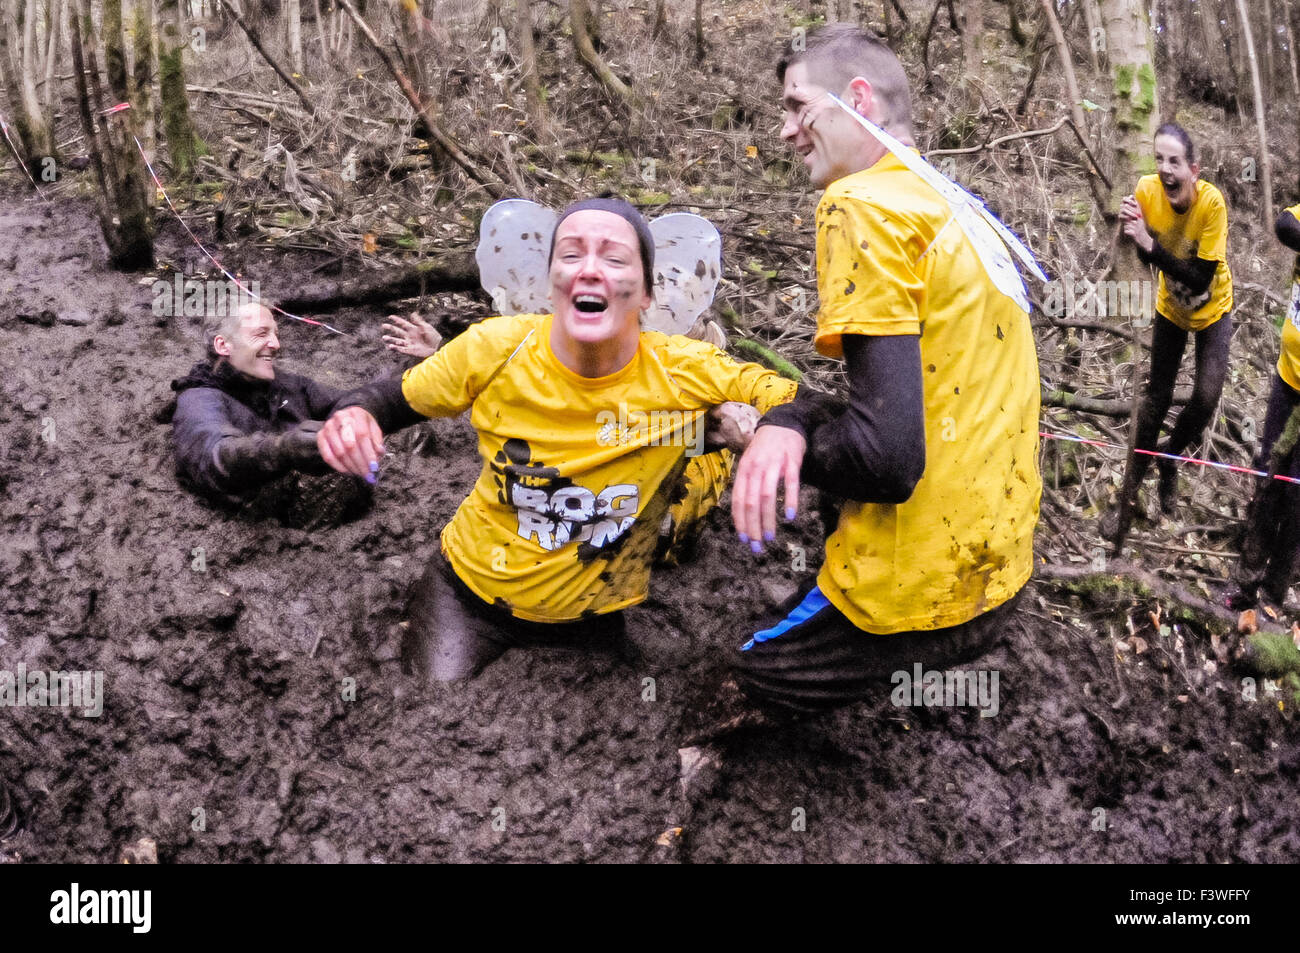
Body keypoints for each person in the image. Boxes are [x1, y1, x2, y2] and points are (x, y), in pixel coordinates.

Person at [684, 24, 1041, 737]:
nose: (784, 130)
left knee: (724, 681)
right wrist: (798, 417)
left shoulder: (862, 205)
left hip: (912, 590)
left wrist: (762, 431)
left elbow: (884, 457)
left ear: (857, 100)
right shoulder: (953, 206)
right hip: (1003, 570)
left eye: (796, 106)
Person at [316, 197, 797, 681]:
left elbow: (801, 400)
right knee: (431, 706)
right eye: (570, 255)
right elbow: (391, 399)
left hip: (594, 611)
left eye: (613, 258)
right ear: (551, 282)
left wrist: (782, 428)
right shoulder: (494, 347)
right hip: (471, 597)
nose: (589, 269)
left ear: (648, 292)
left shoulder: (687, 369)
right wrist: (356, 414)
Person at [1110, 123, 1234, 533]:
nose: (1165, 170)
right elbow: (1144, 262)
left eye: (1175, 162)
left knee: (1205, 397)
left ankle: (1170, 457)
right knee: (1155, 401)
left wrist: (1148, 243)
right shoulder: (1147, 191)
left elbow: (1199, 278)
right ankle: (1126, 501)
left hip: (1212, 309)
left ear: (1193, 169)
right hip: (1170, 310)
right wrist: (1132, 236)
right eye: (1159, 159)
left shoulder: (1212, 205)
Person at [170, 301, 375, 527]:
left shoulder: (288, 384)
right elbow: (215, 458)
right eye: (262, 334)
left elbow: (356, 402)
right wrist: (284, 448)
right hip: (259, 531)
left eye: (276, 334)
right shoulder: (199, 399)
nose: (276, 344)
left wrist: (414, 368)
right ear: (223, 345)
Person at [1226, 203, 1300, 613]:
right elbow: (1286, 224)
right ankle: (1246, 583)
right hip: (1287, 381)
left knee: (1296, 498)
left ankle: (1274, 594)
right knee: (1268, 474)